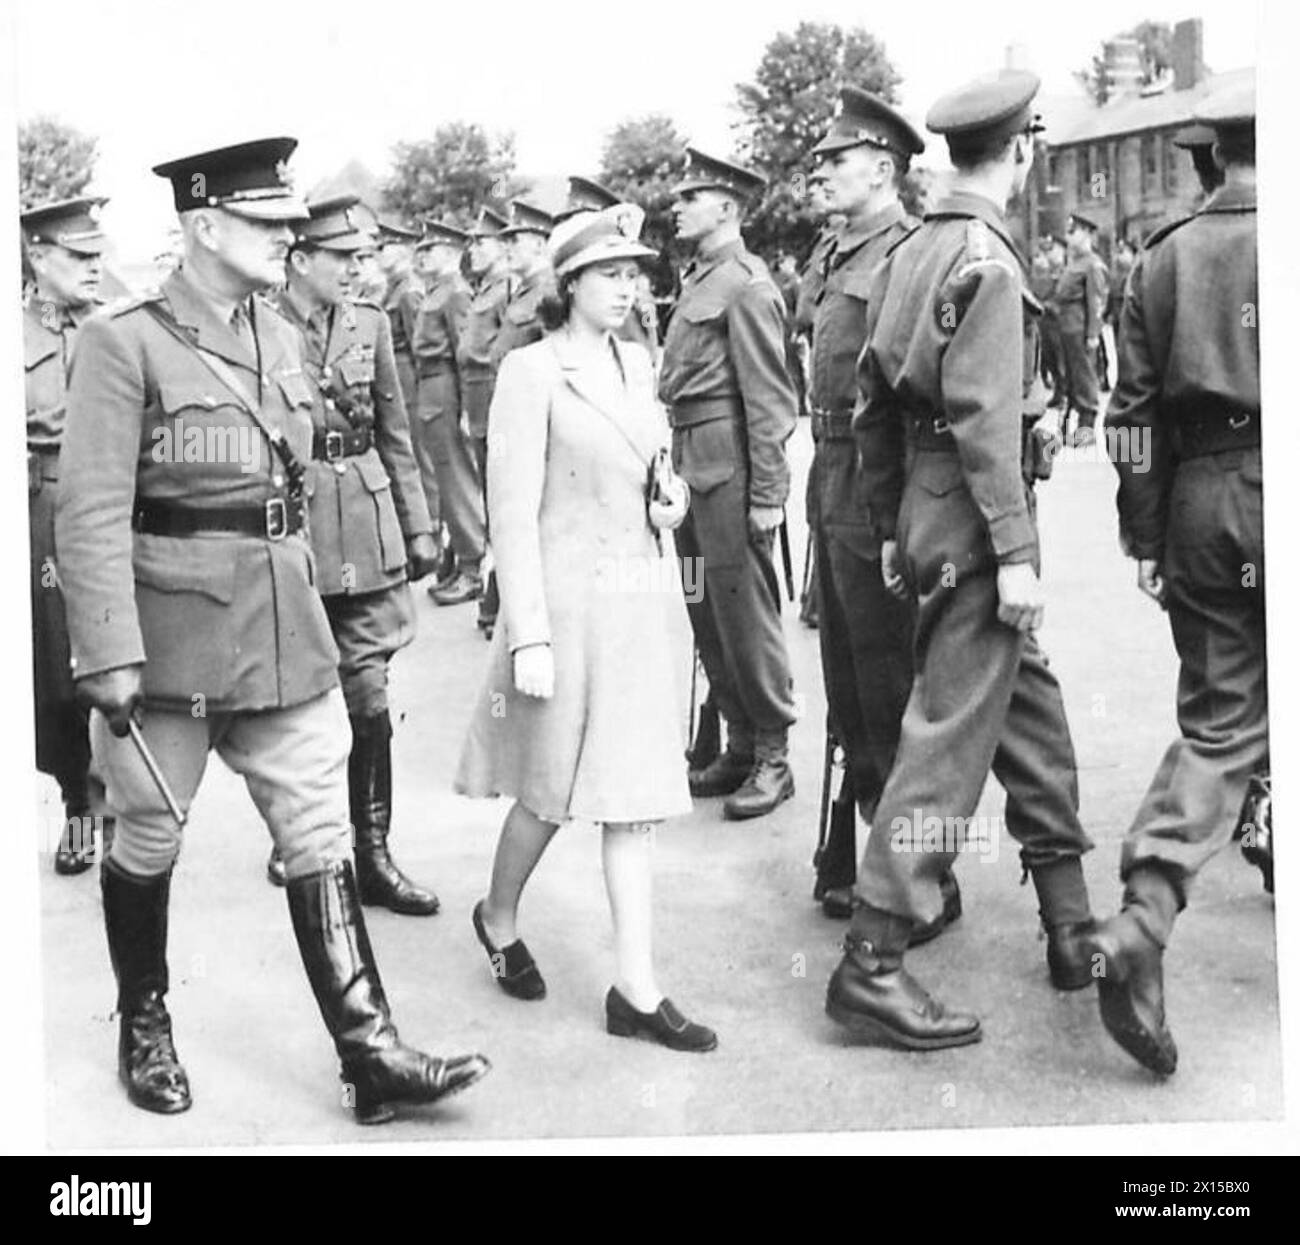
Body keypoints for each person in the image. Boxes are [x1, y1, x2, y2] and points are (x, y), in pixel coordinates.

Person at [54, 137, 489, 1122]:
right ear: (205, 226)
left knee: (318, 828)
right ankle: (144, 1020)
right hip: (172, 642)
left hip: (284, 631)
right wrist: (110, 652)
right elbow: (87, 512)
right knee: (150, 834)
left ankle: (370, 1051)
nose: (285, 238)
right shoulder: (125, 341)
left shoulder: (281, 333)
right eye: (265, 223)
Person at [824, 71, 1096, 1051]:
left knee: (1030, 713)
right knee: (945, 746)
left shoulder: (913, 250)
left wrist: (895, 527)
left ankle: (1072, 928)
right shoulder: (981, 255)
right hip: (981, 524)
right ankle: (873, 962)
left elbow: (869, 404)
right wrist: (1015, 553)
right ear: (1018, 153)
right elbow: (985, 420)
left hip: (931, 512)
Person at [455, 204, 715, 1052]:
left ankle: (634, 987)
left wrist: (670, 503)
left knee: (632, 799)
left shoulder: (638, 362)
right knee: (547, 794)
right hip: (564, 612)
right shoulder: (532, 372)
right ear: (568, 284)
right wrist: (527, 632)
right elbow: (512, 513)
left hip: (637, 603)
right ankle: (497, 915)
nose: (627, 288)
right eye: (610, 273)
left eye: (635, 273)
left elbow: (653, 471)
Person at [1093, 85, 1263, 1078]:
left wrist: (1146, 533)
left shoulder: (1156, 258)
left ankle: (1145, 915)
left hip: (1202, 497)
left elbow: (1129, 414)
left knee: (1222, 719)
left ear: (1209, 160)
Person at [804, 88, 962, 933]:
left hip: (879, 481)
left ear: (885, 167)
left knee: (897, 680)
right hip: (831, 475)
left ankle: (927, 877)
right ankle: (876, 853)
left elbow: (907, 393)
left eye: (836, 161)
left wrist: (898, 513)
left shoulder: (905, 251)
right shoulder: (838, 253)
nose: (821, 173)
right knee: (850, 682)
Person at [267, 195, 442, 914]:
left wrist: (420, 524)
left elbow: (397, 430)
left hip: (366, 523)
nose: (354, 268)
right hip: (296, 527)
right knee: (303, 695)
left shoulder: (370, 322)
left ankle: (372, 853)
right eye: (340, 257)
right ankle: (304, 838)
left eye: (359, 257)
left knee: (368, 697)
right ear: (299, 259)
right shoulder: (259, 325)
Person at [660, 148, 800, 821]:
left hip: (730, 462)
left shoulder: (746, 284)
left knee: (745, 614)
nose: (677, 205)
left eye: (692, 196)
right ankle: (740, 742)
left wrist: (769, 495)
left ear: (728, 208)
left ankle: (774, 753)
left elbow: (770, 401)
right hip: (689, 459)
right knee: (704, 608)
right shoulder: (699, 280)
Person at [22, 196, 112, 874]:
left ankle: (122, 798)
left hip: (109, 498)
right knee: (53, 669)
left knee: (114, 649)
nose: (94, 266)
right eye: (79, 256)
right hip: (40, 503)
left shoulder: (111, 326)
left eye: (97, 254)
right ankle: (78, 801)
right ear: (37, 255)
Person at [475, 201, 558, 639]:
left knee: (522, 515)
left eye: (516, 240)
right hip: (504, 416)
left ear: (542, 245)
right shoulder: (522, 291)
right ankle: (501, 603)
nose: (507, 247)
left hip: (531, 426)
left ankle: (512, 610)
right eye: (503, 240)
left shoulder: (548, 292)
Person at [411, 219, 480, 602]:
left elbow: (463, 353)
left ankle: (472, 568)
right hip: (430, 387)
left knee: (457, 481)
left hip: (447, 389)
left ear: (453, 253)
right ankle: (459, 559)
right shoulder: (437, 290)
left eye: (430, 249)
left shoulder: (456, 293)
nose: (423, 256)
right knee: (444, 478)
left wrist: (466, 408)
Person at [1052, 210, 1109, 445]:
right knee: (1069, 377)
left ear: (1086, 233)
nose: (1069, 236)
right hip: (1066, 328)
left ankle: (1087, 428)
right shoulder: (1075, 263)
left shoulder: (1093, 265)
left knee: (1084, 377)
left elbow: (1096, 302)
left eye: (1073, 232)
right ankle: (1068, 427)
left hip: (1080, 329)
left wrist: (1093, 334)